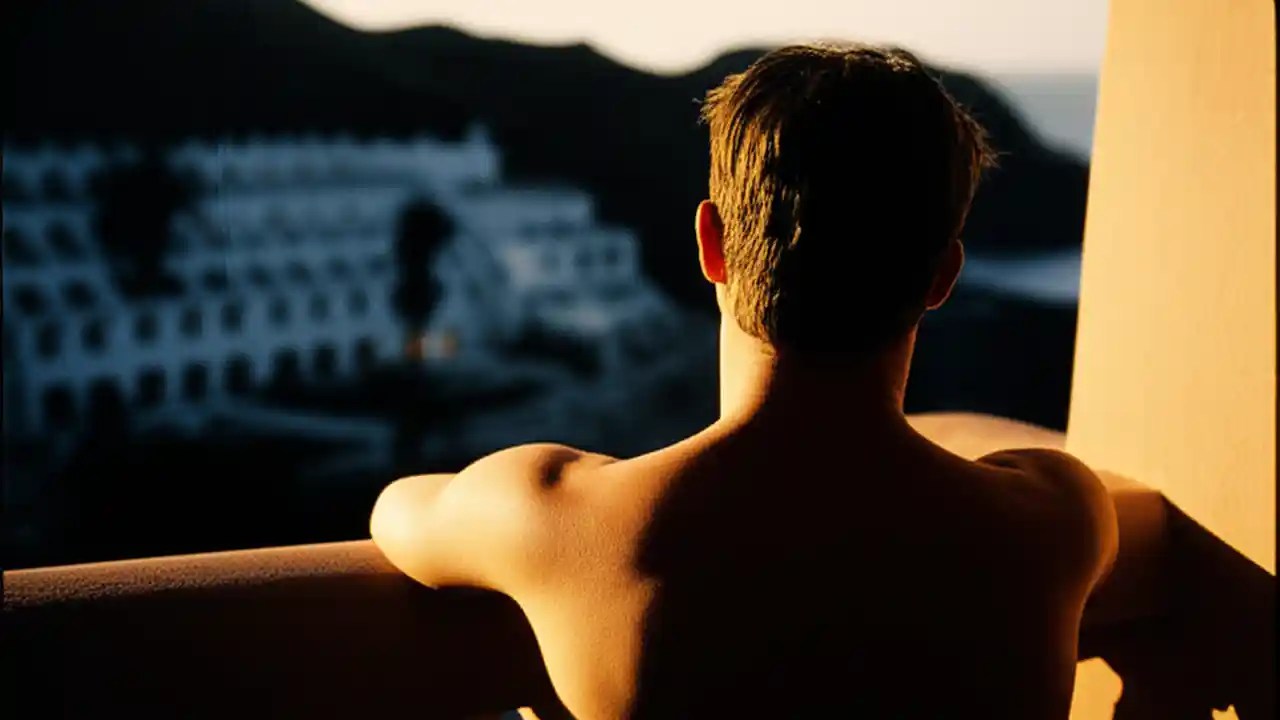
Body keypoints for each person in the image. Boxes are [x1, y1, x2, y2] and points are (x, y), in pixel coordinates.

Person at [371, 43, 1120, 720]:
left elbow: (398, 512)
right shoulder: (1055, 525)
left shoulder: (563, 519)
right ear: (942, 277)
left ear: (711, 243)